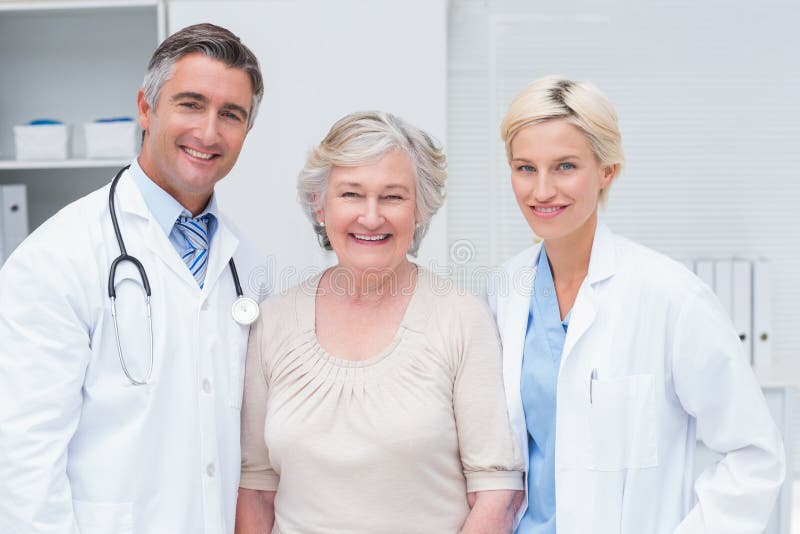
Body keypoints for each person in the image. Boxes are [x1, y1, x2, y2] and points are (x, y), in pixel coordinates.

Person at [489, 75, 785, 533]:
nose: (541, 190)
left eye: (565, 166)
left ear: (607, 171)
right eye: (525, 168)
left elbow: (755, 456)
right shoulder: (504, 291)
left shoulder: (669, 295)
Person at [0, 23, 266, 534]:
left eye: (231, 115)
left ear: (246, 132)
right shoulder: (57, 257)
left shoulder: (245, 264)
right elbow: (22, 461)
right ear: (146, 109)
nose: (209, 132)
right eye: (191, 104)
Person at [235, 111, 524, 533]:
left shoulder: (462, 319)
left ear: (420, 208)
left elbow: (496, 494)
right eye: (351, 194)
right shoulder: (273, 322)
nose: (371, 217)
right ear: (320, 205)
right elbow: (256, 490)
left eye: (392, 197)